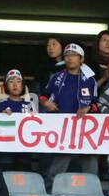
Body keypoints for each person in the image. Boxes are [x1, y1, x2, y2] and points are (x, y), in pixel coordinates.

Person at [39, 43, 98, 187]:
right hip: (64, 131)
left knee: (90, 165)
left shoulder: (90, 80)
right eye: (67, 55)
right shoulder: (57, 77)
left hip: (85, 130)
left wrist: (89, 108)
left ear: (81, 59)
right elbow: (43, 96)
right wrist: (46, 103)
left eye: (73, 55)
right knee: (59, 164)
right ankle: (50, 191)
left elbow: (97, 104)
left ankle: (93, 193)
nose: (70, 58)